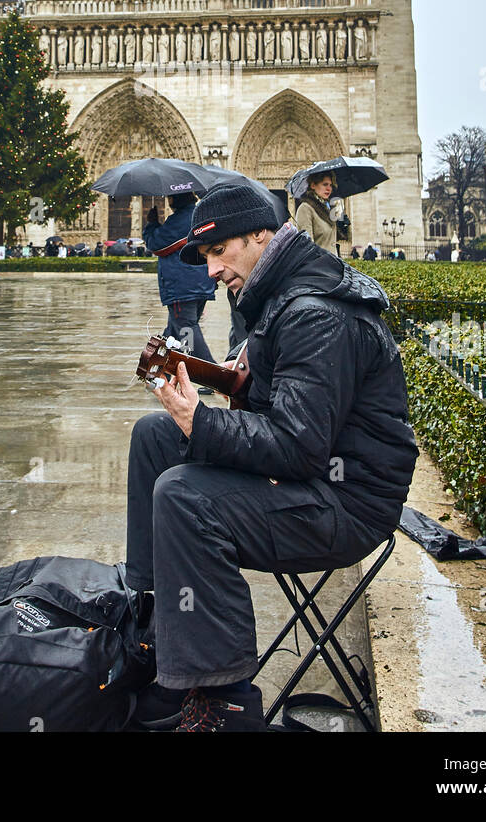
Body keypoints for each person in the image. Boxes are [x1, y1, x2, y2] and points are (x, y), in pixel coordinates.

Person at [126, 182, 418, 732]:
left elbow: (297, 447)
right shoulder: (281, 294)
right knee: (154, 439)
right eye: (206, 258)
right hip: (320, 479)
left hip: (347, 502)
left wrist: (202, 419)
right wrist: (236, 382)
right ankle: (157, 641)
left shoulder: (314, 311)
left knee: (185, 497)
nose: (211, 271)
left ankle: (222, 703)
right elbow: (290, 415)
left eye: (217, 252)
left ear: (262, 234)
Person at [143, 194, 217, 365]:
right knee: (174, 332)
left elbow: (156, 244)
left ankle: (213, 375)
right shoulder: (201, 215)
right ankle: (158, 372)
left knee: (186, 330)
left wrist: (152, 223)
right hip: (200, 284)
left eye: (170, 198)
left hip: (182, 286)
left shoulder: (181, 219)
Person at [294, 172, 339, 255]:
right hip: (318, 265)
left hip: (333, 264)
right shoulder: (305, 208)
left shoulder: (329, 209)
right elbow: (307, 245)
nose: (329, 188)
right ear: (313, 185)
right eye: (325, 184)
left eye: (330, 185)